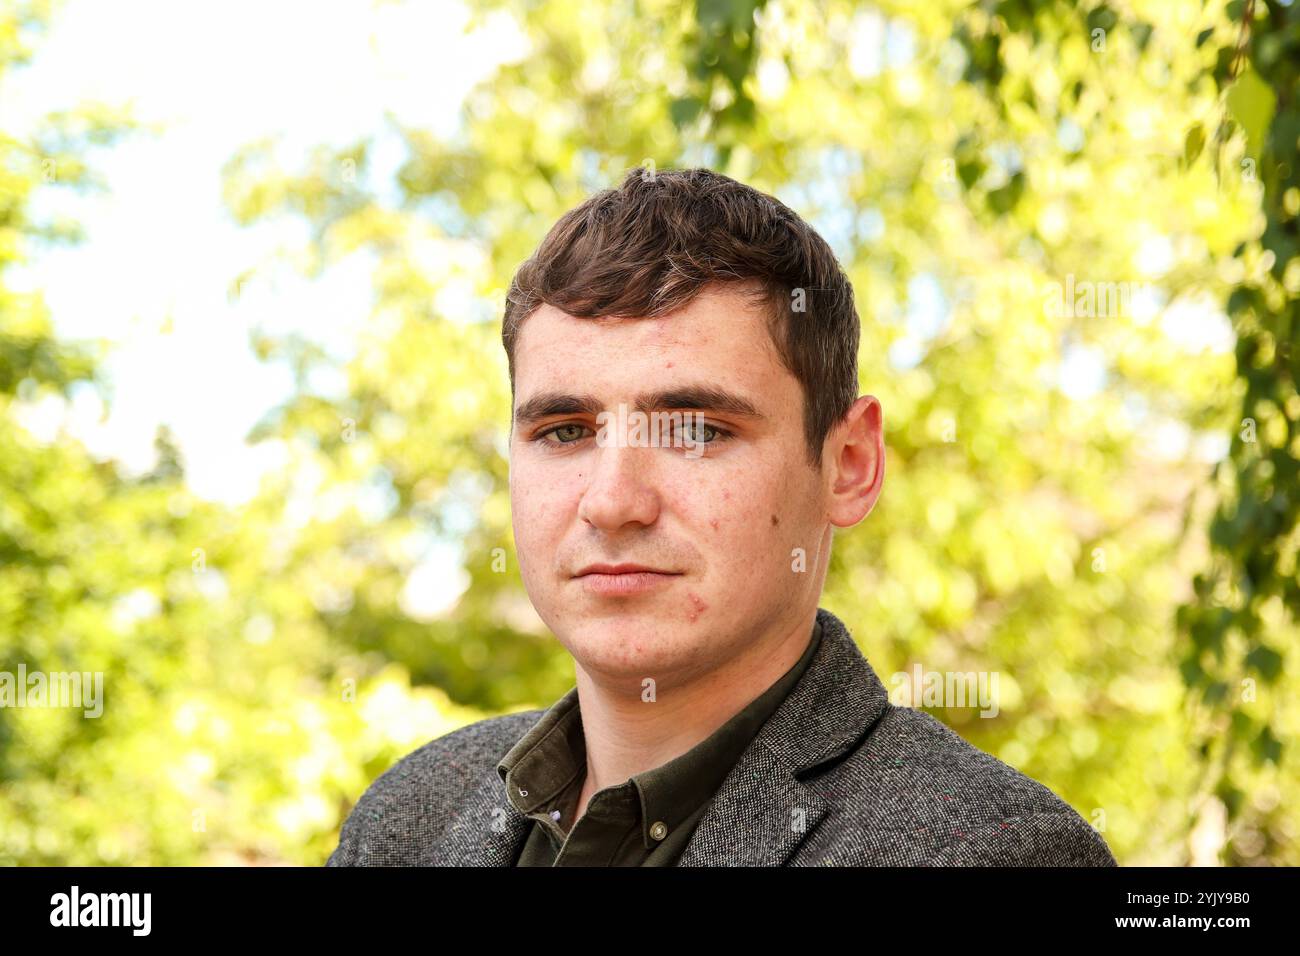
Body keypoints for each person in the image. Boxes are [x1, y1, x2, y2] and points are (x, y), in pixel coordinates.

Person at [327, 167, 1117, 866]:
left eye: (696, 430)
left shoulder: (990, 851)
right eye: (565, 431)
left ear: (848, 466)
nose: (612, 502)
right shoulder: (405, 821)